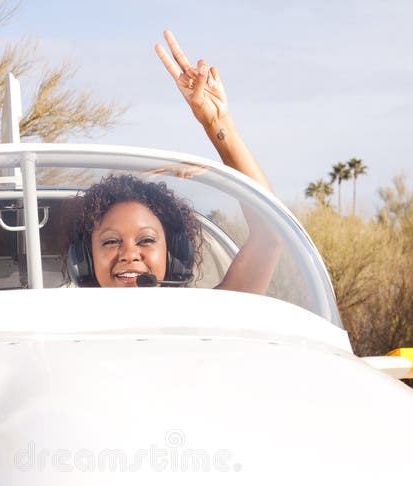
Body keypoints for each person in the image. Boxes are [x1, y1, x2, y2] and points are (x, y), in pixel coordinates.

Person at [65, 31, 281, 293]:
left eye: (146, 239)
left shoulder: (201, 319)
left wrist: (217, 124)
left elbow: (271, 236)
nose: (128, 254)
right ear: (85, 259)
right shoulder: (61, 329)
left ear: (174, 252)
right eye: (111, 242)